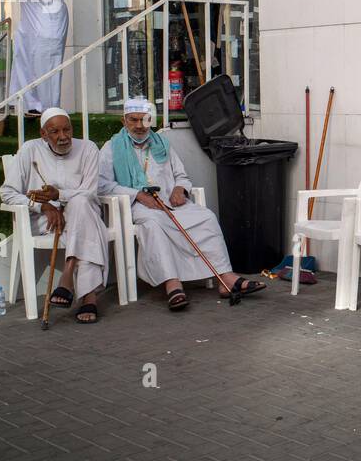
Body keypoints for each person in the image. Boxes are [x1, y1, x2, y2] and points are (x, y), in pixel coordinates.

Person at [98, 97, 266, 309]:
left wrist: (180, 189)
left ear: (151, 120)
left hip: (173, 203)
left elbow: (181, 175)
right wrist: (138, 195)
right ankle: (172, 284)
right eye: (134, 120)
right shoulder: (111, 148)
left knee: (207, 217)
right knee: (154, 225)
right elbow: (103, 185)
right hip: (140, 207)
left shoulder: (162, 145)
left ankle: (226, 278)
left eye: (144, 120)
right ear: (124, 121)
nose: (139, 126)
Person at [0, 107, 110, 323]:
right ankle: (88, 297)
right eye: (55, 132)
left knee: (80, 204)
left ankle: (68, 277)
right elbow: (7, 192)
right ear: (43, 134)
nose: (63, 137)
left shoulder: (88, 148)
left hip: (82, 214)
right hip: (48, 220)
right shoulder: (30, 150)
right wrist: (43, 206)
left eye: (67, 130)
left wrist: (60, 195)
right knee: (85, 219)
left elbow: (90, 191)